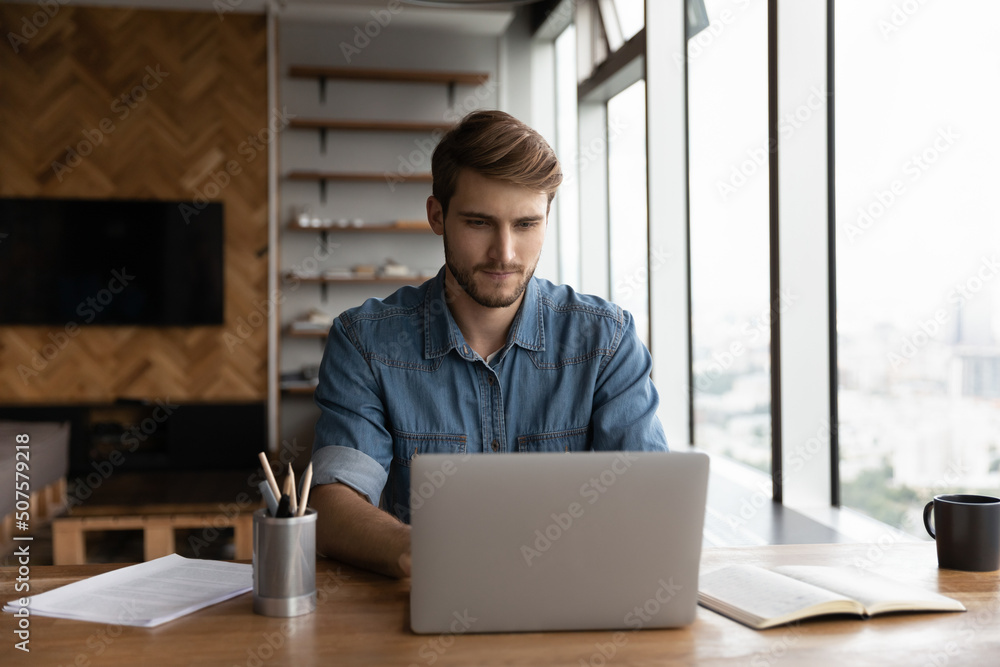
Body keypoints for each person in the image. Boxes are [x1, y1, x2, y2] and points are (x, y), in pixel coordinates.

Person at [309, 109, 668, 578]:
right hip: (428, 610)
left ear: (546, 219)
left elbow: (650, 500)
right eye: (480, 223)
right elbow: (334, 503)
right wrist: (417, 549)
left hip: (576, 606)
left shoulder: (607, 340)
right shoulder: (366, 342)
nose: (505, 253)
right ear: (438, 216)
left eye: (525, 225)